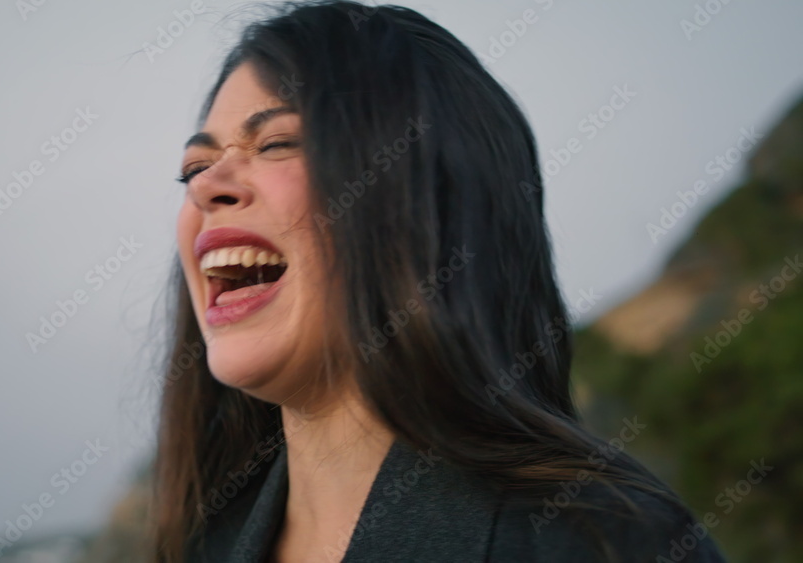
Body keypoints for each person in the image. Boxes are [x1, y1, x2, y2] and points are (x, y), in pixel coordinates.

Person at [149, 2, 727, 561]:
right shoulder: (200, 545)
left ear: (424, 199)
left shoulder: (601, 540)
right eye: (194, 169)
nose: (207, 185)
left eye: (274, 143)